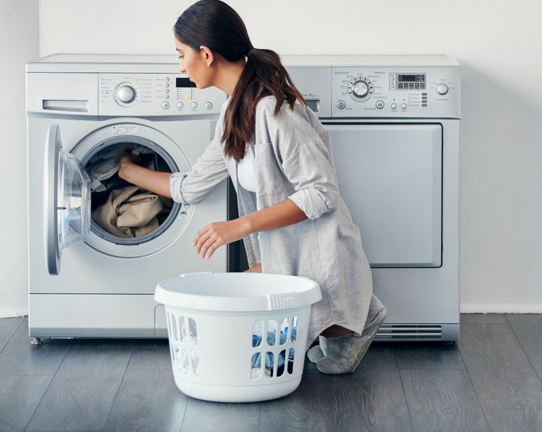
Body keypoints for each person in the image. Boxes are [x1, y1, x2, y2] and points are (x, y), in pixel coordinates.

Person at [117, 0, 386, 375]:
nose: (180, 66)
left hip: (316, 255)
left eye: (181, 55)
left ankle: (353, 320)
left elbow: (321, 193)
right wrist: (126, 170)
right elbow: (191, 187)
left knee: (231, 334)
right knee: (223, 329)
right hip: (283, 257)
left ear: (206, 54)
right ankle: (342, 320)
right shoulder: (232, 113)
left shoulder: (276, 111)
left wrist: (238, 227)